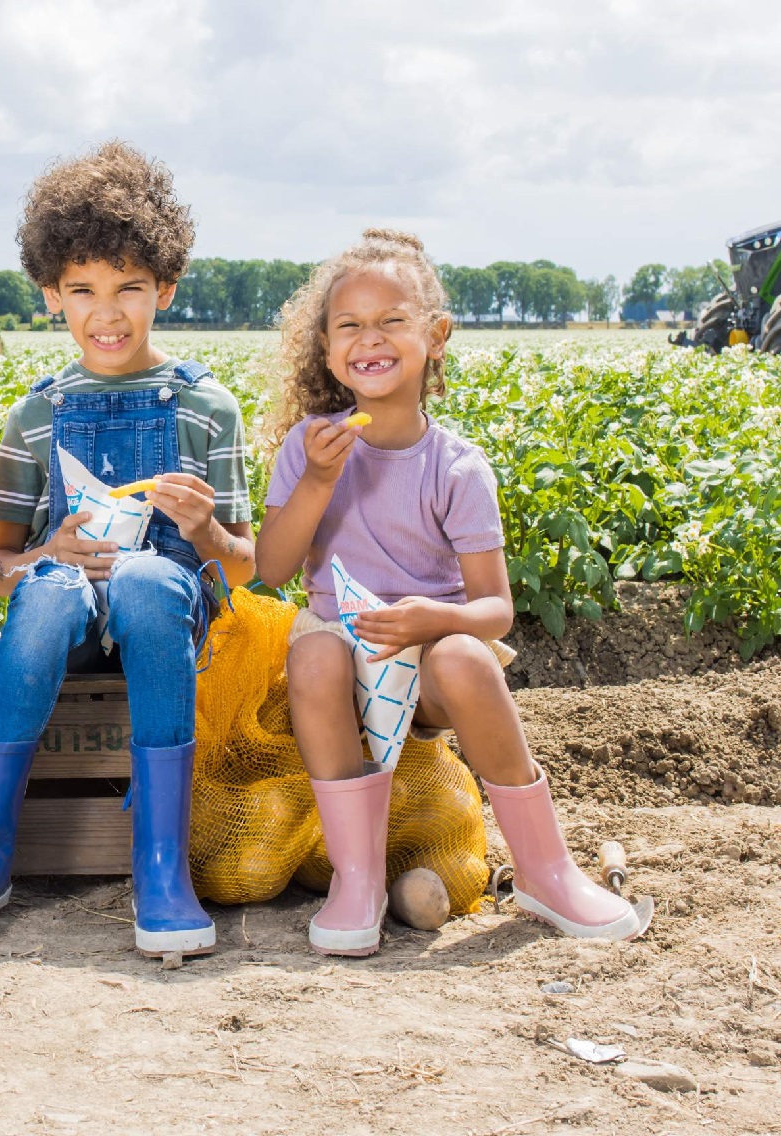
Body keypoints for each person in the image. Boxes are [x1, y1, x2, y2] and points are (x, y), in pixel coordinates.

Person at [255, 228, 652, 956]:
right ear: (325, 345)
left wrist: (430, 620)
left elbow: (495, 608)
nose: (369, 339)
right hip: (338, 644)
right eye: (349, 326)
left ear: (435, 334)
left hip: (431, 651)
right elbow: (274, 569)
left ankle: (544, 871)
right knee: (312, 658)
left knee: (468, 658)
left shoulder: (458, 468)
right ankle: (359, 879)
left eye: (391, 321)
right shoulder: (309, 445)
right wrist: (316, 482)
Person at [0, 142, 255, 957]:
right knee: (52, 590)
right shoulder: (35, 415)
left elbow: (246, 568)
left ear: (164, 287)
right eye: (83, 290)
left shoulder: (205, 406)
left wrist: (201, 529)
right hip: (62, 623)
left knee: (139, 579)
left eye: (130, 287)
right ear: (50, 294)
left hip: (166, 624)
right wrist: (44, 554)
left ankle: (161, 867)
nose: (108, 312)